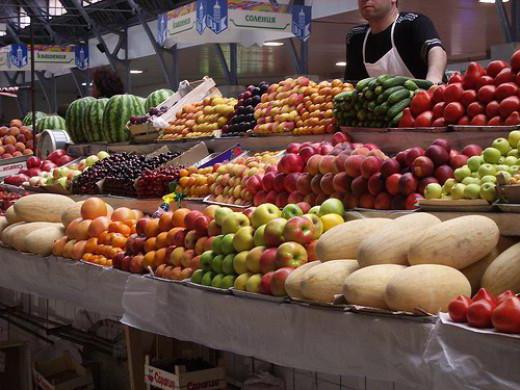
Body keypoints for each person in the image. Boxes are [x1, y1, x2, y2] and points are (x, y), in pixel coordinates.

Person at [344, 0, 447, 83]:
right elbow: (352, 84)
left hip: (427, 105)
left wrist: (433, 82)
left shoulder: (413, 22)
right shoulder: (356, 37)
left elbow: (436, 51)